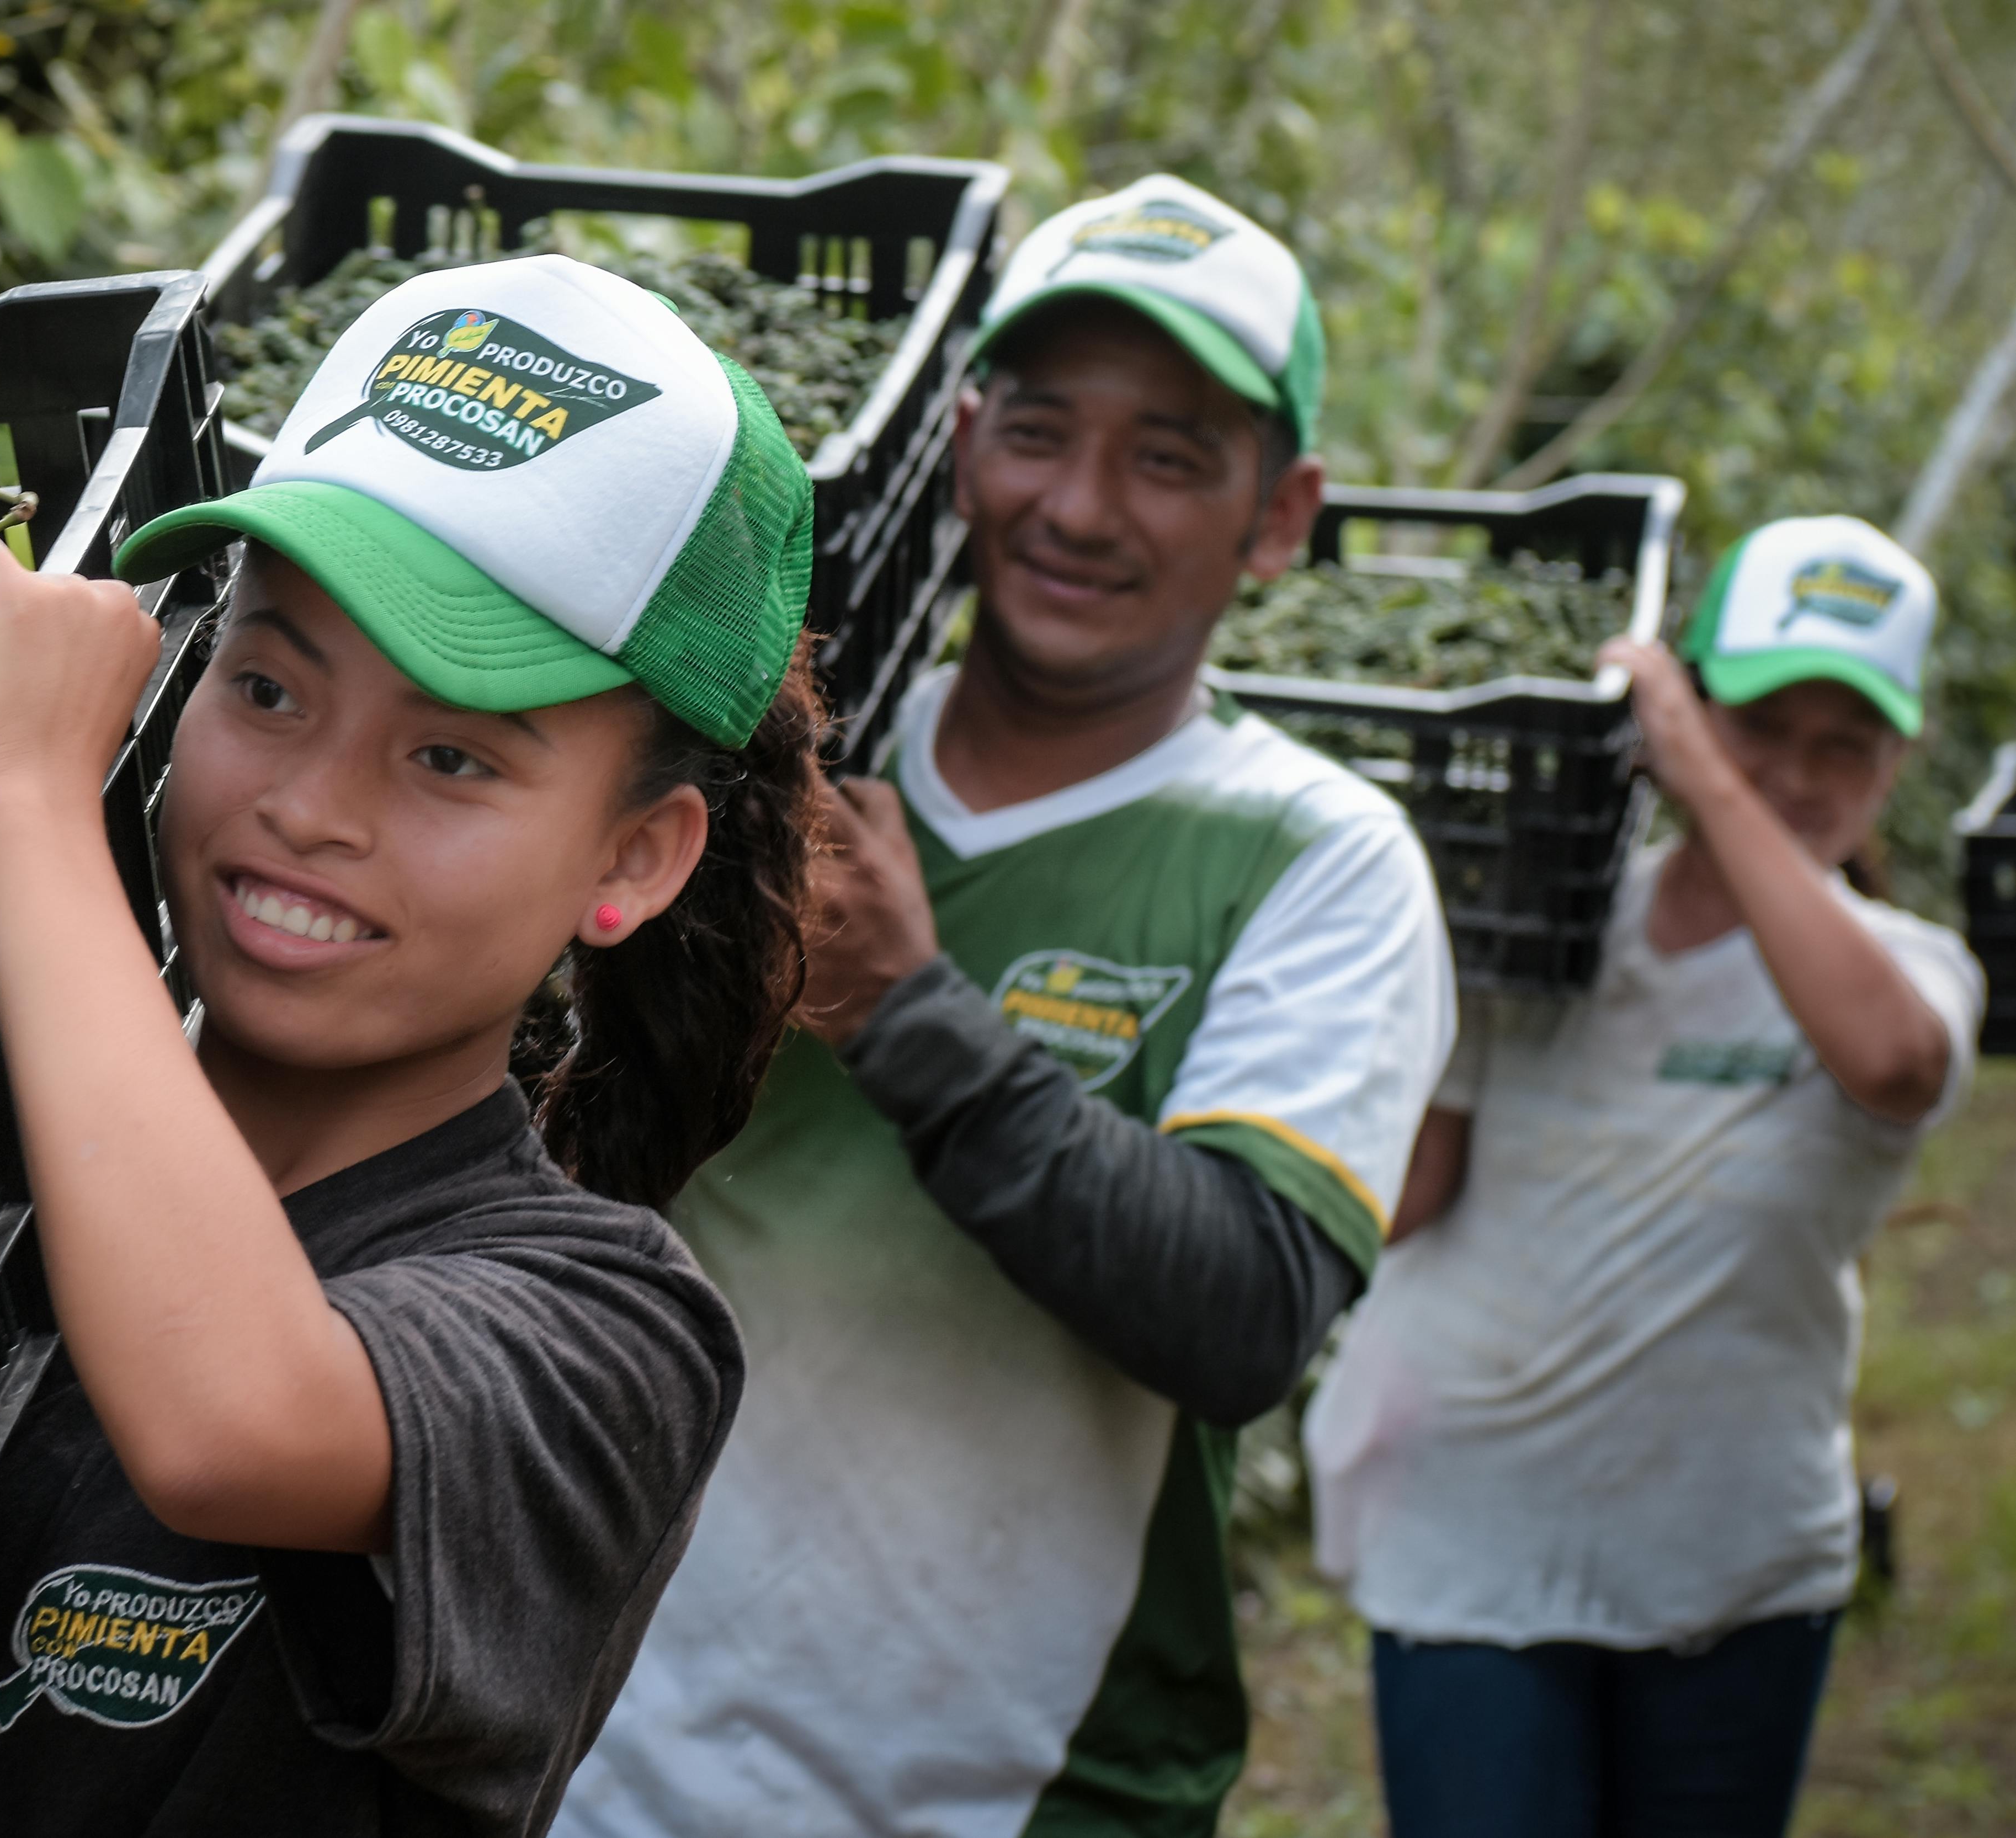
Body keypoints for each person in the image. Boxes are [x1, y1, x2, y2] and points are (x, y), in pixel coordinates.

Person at [0, 252, 833, 1837]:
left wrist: (30, 795)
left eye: (453, 757)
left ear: (633, 861)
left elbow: (226, 1417)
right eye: (265, 684)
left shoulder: (604, 1338)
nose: (310, 805)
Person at [559, 174, 1455, 1837]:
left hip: (1019, 1792)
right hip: (604, 1755)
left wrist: (910, 1017)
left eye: (1170, 455)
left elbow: (1246, 1309)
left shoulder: (1321, 860)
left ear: (1281, 512)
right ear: (960, 439)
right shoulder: (767, 775)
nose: (1082, 504)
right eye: (1039, 431)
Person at [1303, 515, 1983, 1838]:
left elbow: (1893, 1062)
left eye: (1842, 742)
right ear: (1693, 706)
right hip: (1472, 1548)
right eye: (1758, 725)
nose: (1795, 769)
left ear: (1894, 763)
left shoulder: (1907, 970)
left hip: (1730, 1568)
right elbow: (1419, 1187)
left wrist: (1704, 778)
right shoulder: (1555, 926)